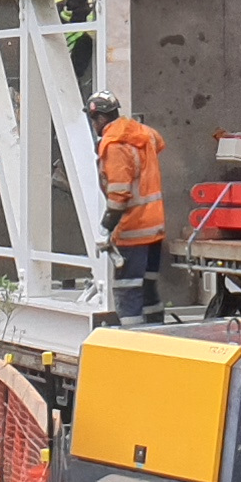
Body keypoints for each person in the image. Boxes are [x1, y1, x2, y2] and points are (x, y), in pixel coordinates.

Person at [90, 92, 167, 320]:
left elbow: (119, 195)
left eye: (94, 119)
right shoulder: (142, 134)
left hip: (133, 232)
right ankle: (157, 336)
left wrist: (106, 227)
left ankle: (133, 341)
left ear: (100, 118)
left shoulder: (114, 145)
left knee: (128, 291)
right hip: (155, 229)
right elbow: (159, 142)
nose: (93, 125)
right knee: (148, 290)